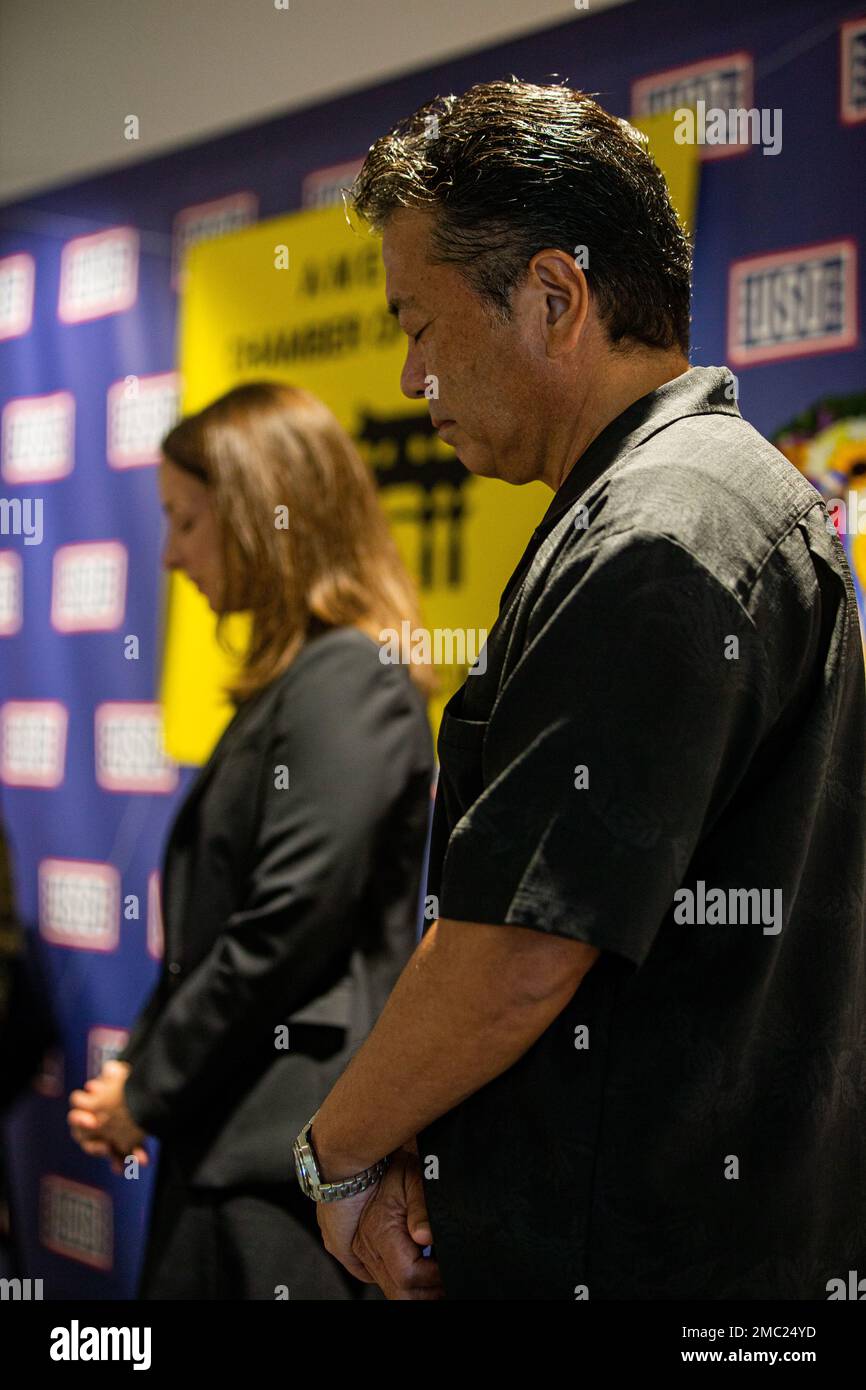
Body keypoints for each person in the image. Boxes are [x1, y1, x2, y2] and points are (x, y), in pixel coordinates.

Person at [294, 79, 866, 1300]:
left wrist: (334, 1153)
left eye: (417, 325)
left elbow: (516, 948)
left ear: (553, 297)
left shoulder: (657, 533)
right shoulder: (677, 501)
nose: (408, 378)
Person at [67, 381, 434, 1300]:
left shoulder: (347, 676)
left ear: (261, 513)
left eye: (187, 521)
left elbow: (284, 926)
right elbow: (213, 939)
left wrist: (144, 1091)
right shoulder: (298, 682)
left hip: (287, 1172)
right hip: (233, 1150)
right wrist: (137, 1074)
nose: (171, 553)